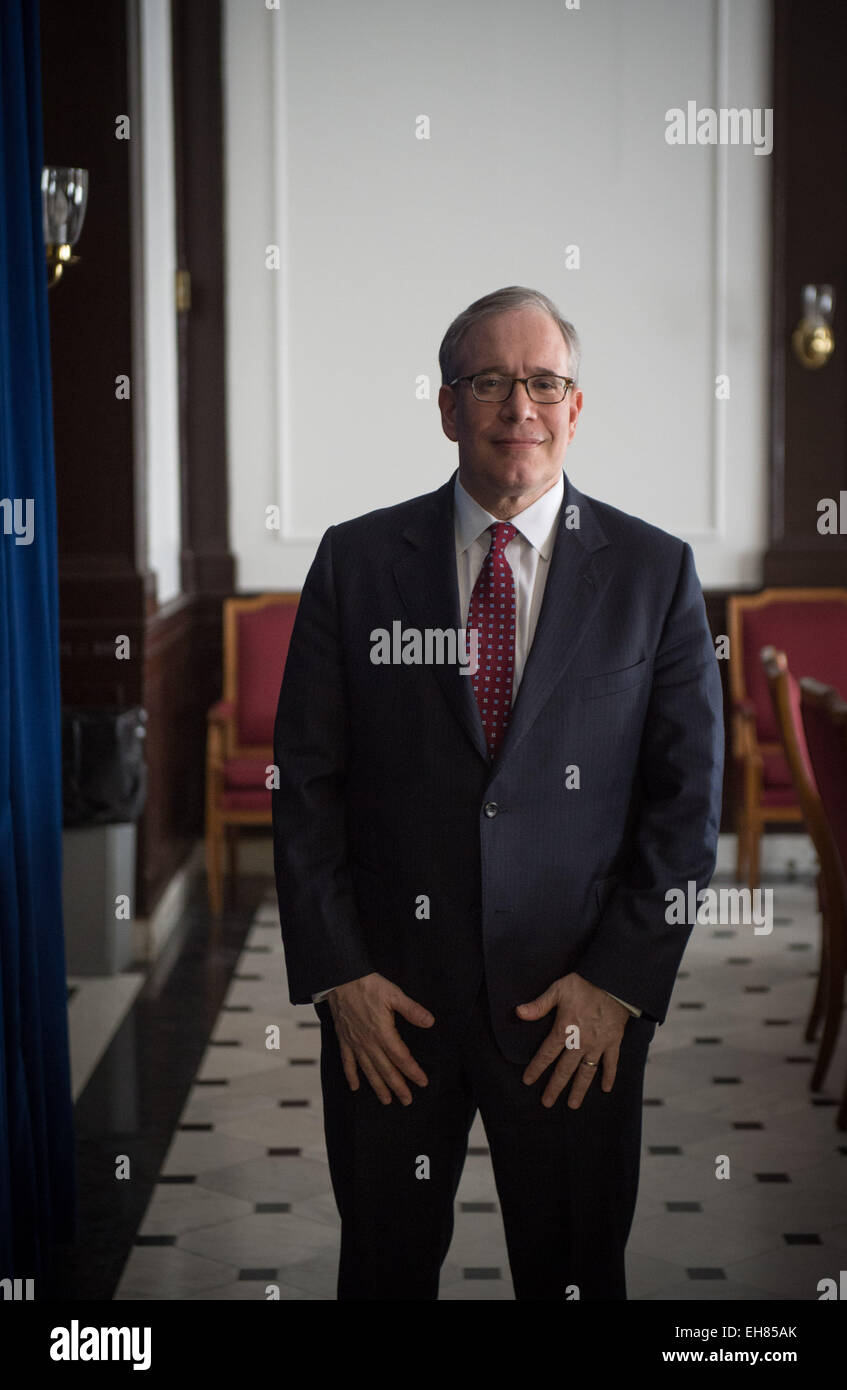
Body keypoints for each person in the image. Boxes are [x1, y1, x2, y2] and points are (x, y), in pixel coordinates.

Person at [272, 285, 724, 1300]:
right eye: (489, 381)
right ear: (446, 406)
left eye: (543, 381)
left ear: (575, 405)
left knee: (573, 1275)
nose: (519, 405)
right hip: (391, 1013)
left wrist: (617, 984)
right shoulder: (355, 563)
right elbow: (304, 785)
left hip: (571, 1013)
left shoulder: (655, 574)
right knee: (383, 1272)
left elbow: (687, 806)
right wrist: (338, 975)